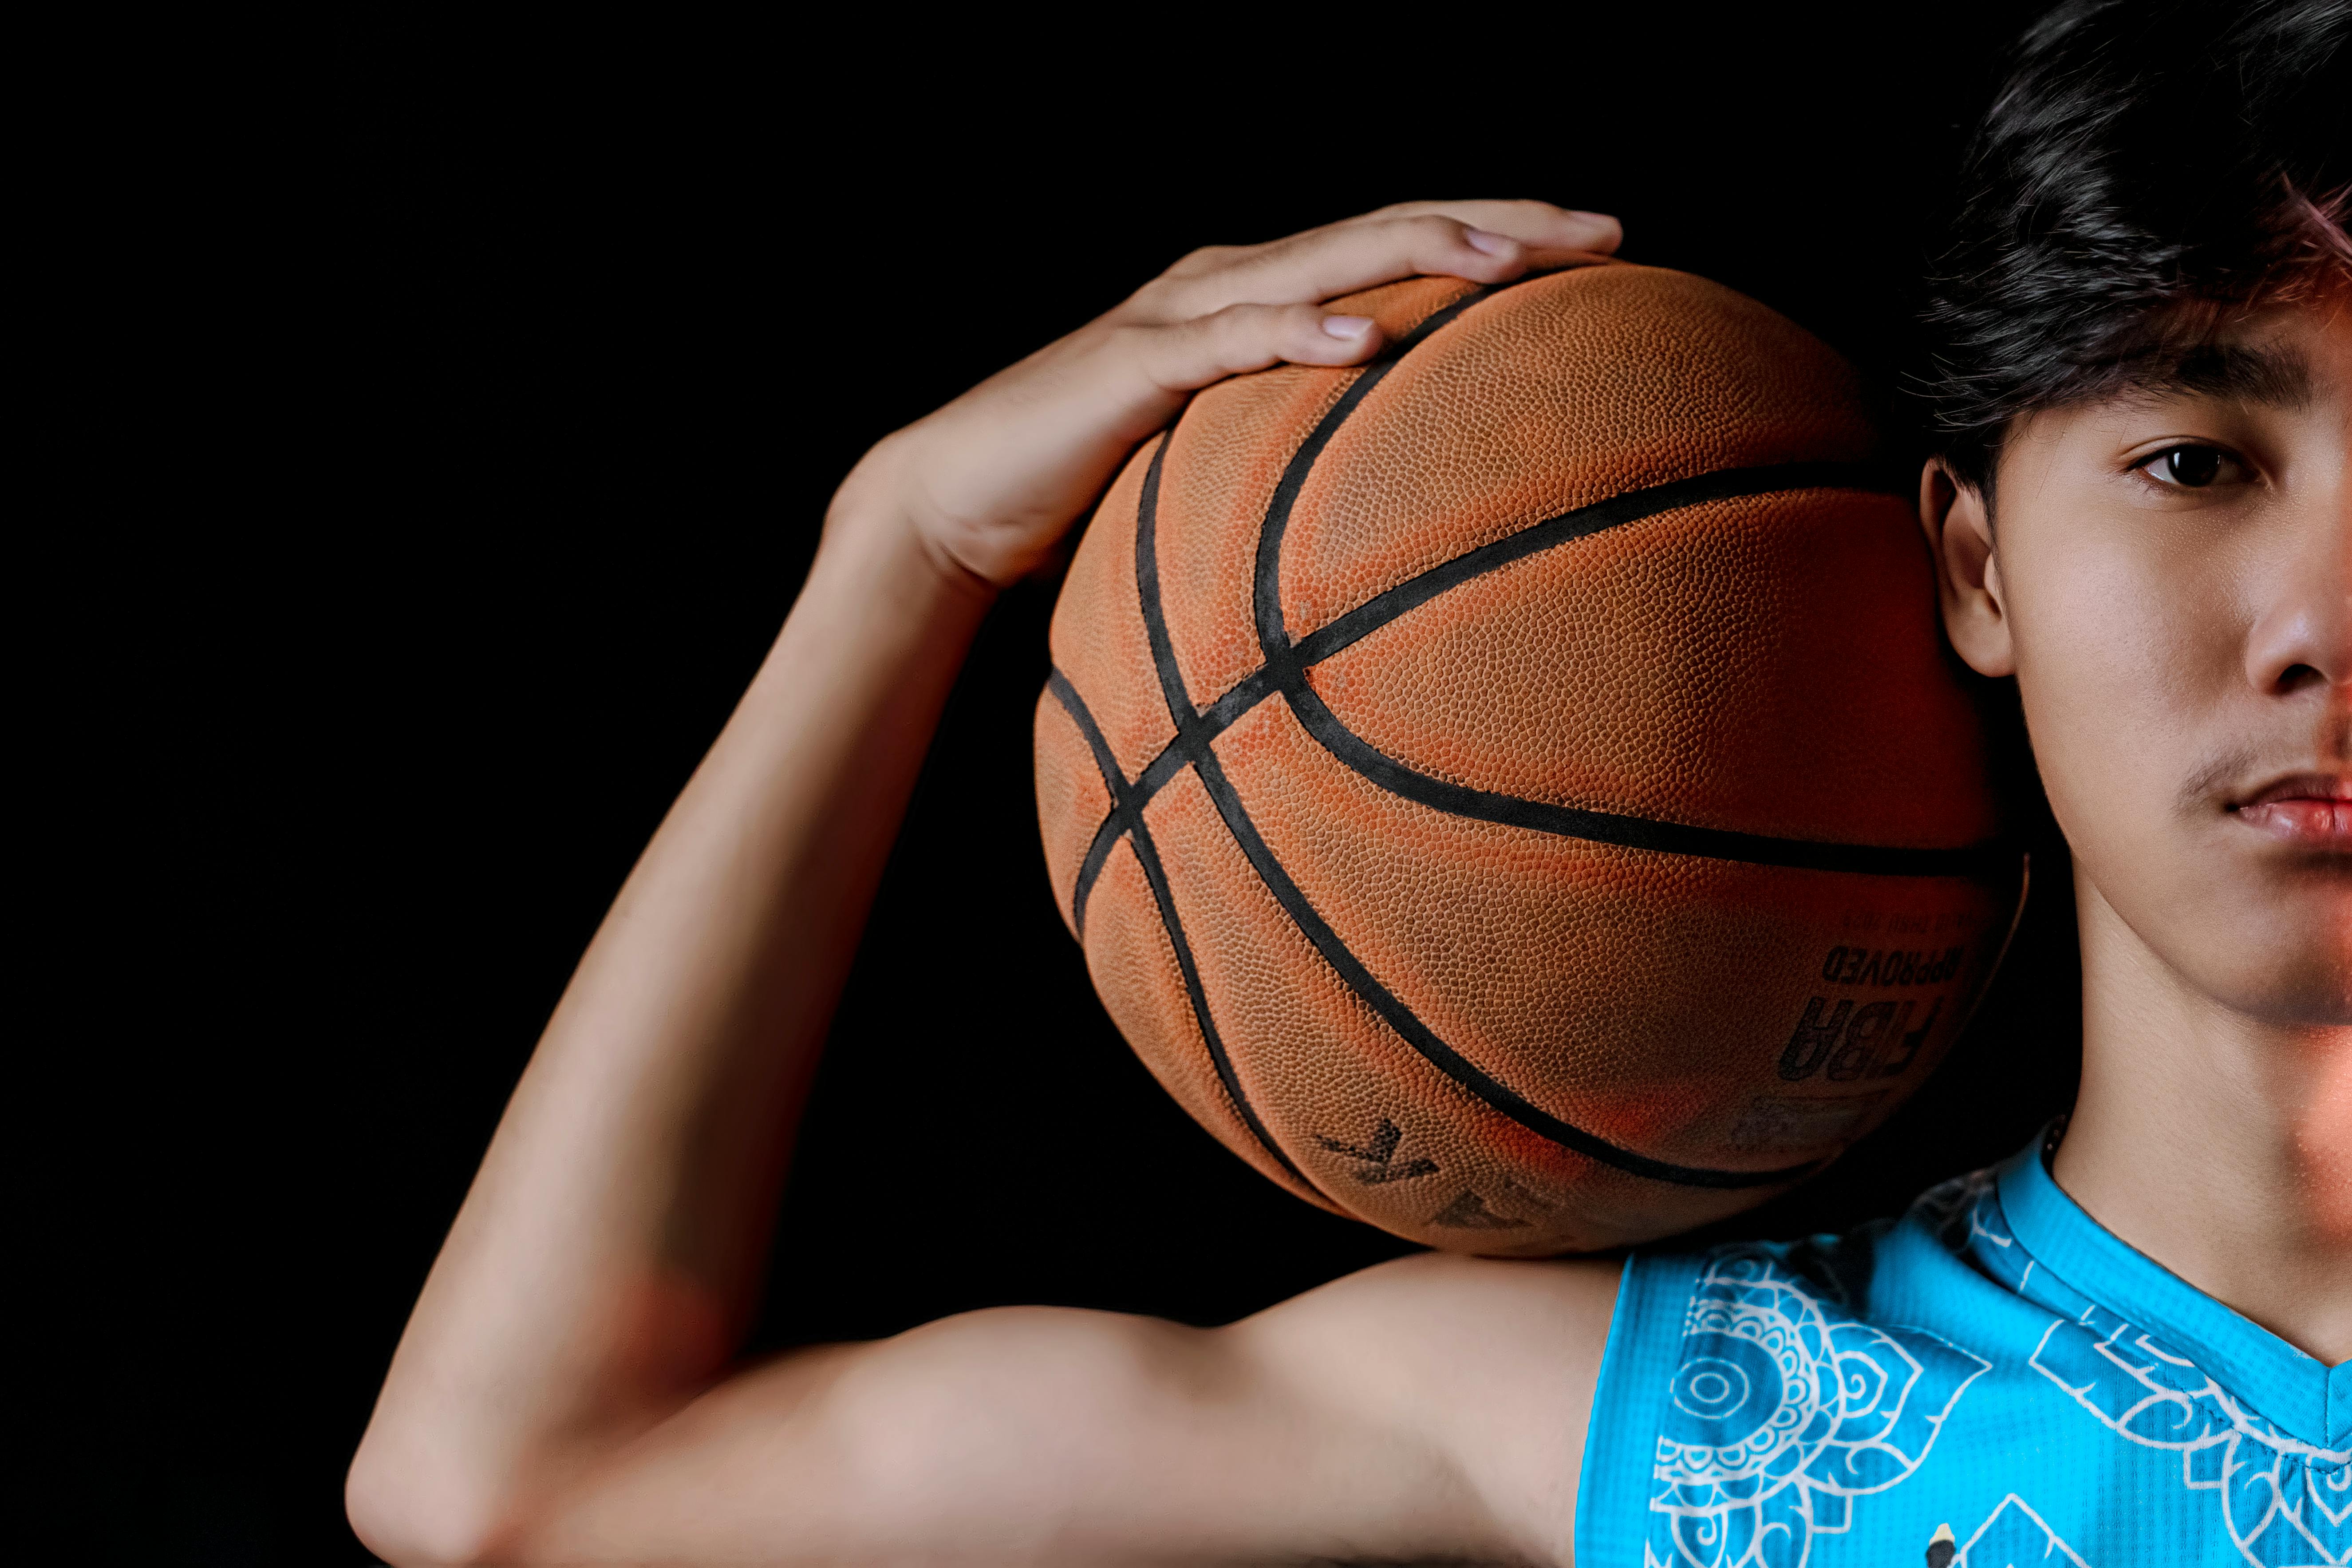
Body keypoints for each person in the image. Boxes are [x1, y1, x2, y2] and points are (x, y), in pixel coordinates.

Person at [347, 1, 2348, 1561]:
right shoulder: (1720, 1426)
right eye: (2192, 460)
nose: (2322, 623)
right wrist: (898, 553)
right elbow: (517, 1474)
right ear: (1977, 564)